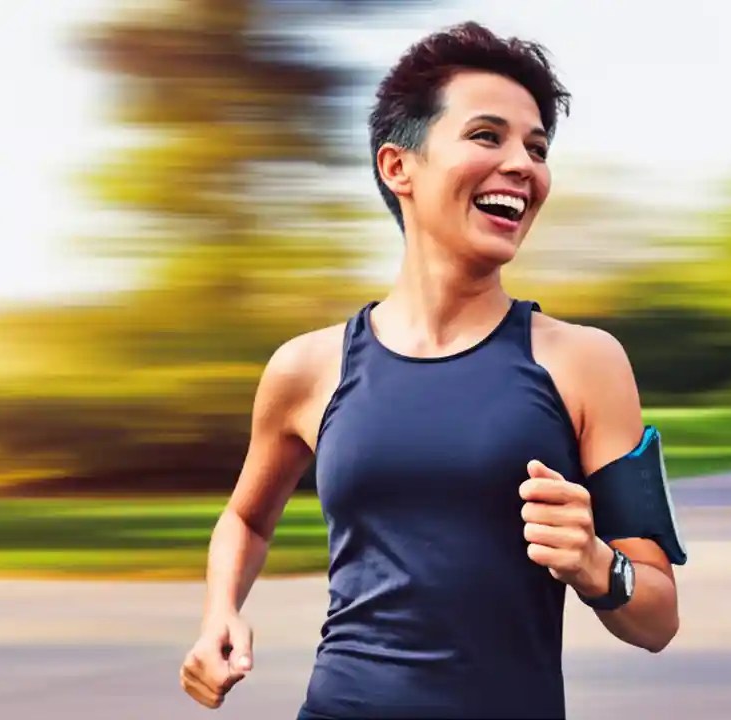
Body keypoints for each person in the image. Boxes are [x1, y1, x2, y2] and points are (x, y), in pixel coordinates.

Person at [178, 21, 681, 719]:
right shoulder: (306, 369)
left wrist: (596, 565)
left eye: (537, 148)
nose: (523, 165)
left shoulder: (586, 364)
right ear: (398, 167)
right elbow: (245, 518)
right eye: (487, 136)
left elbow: (657, 617)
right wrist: (219, 613)